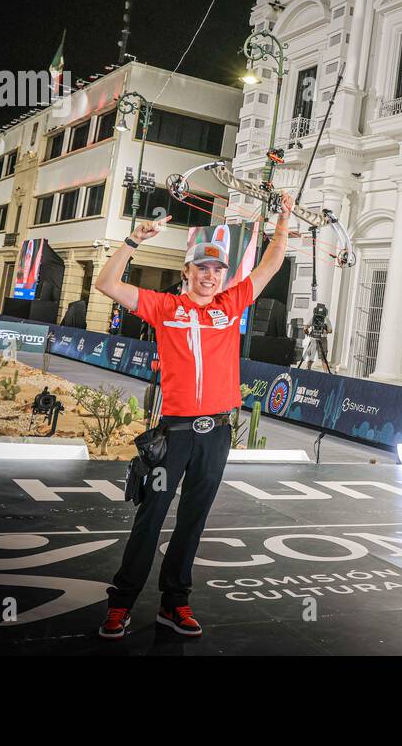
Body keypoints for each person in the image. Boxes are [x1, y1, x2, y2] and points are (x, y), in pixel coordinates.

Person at [94, 197, 292, 640]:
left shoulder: (230, 304)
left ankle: (174, 604)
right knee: (151, 517)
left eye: (217, 269)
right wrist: (131, 242)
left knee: (193, 521)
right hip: (175, 436)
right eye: (202, 268)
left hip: (216, 435)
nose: (210, 275)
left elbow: (271, 265)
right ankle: (120, 604)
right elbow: (107, 283)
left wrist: (283, 221)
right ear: (187, 272)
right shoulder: (164, 307)